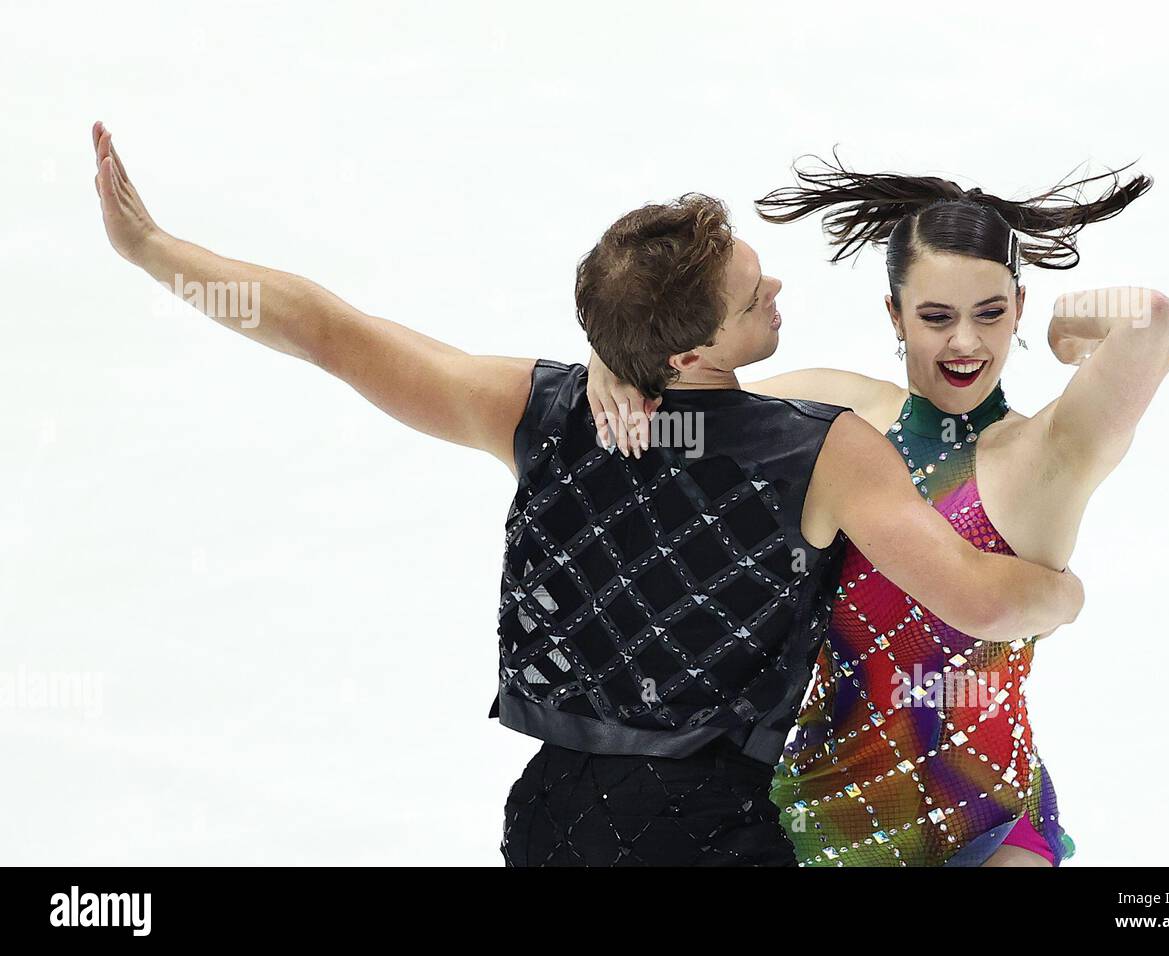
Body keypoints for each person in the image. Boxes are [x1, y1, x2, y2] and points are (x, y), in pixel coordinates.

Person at [90, 123, 1082, 866]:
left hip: (554, 815)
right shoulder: (826, 452)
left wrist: (153, 253)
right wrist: (1062, 594)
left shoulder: (538, 406)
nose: (775, 286)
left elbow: (327, 331)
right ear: (691, 348)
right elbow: (980, 598)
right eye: (753, 294)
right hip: (713, 827)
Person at [587, 153, 1169, 866]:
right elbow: (683, 412)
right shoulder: (840, 416)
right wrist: (616, 366)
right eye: (936, 317)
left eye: (990, 313)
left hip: (988, 827)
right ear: (894, 315)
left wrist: (1066, 324)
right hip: (812, 821)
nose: (966, 342)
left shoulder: (1046, 452)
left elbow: (1152, 319)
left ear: (1016, 307)